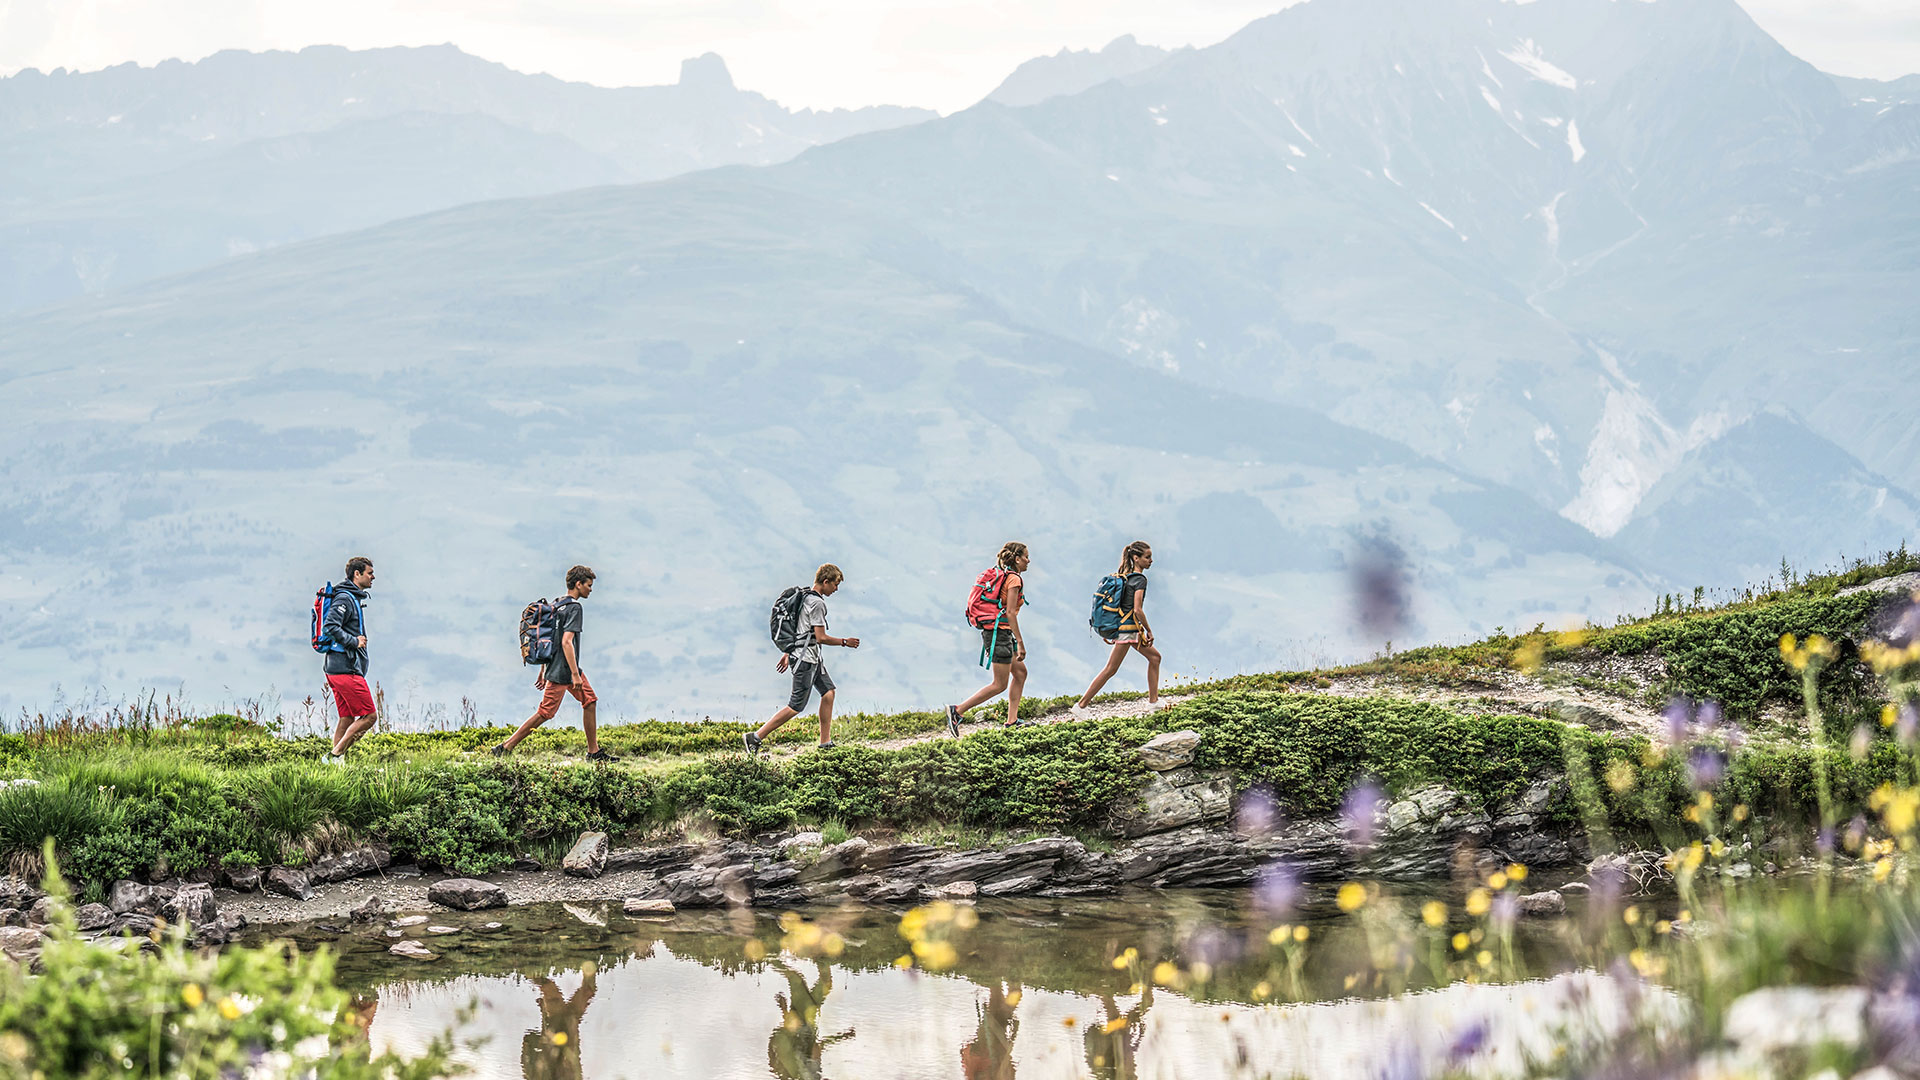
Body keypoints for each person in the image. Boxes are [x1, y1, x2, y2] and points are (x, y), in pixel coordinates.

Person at [493, 565, 616, 761]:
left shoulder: (557, 604)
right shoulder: (575, 608)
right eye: (589, 585)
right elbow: (566, 641)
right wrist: (574, 675)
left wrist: (544, 669)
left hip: (557, 667)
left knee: (589, 701)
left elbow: (548, 639)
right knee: (545, 712)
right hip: (565, 671)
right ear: (578, 584)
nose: (590, 589)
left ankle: (594, 752)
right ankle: (506, 747)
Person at [746, 564, 859, 754]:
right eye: (835, 584)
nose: (836, 589)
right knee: (796, 706)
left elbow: (799, 630)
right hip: (805, 660)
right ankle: (755, 737)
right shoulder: (817, 604)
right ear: (826, 582)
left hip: (810, 657)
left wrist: (787, 652)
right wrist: (845, 642)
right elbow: (821, 637)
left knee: (828, 692)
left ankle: (825, 743)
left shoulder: (805, 596)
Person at [946, 542, 1033, 736]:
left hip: (999, 632)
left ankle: (1012, 722)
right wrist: (1020, 642)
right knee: (999, 684)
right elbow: (1010, 612)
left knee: (1020, 674)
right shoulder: (1014, 580)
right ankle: (957, 711)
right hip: (999, 634)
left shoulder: (1006, 577)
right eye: (1026, 556)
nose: (1029, 560)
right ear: (1017, 559)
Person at [1075, 541, 1163, 710]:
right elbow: (1137, 609)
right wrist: (1149, 630)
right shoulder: (1140, 580)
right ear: (1136, 558)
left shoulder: (1124, 577)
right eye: (1147, 557)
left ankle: (1154, 701)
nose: (1151, 560)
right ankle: (1081, 705)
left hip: (1126, 629)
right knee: (1111, 669)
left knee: (1154, 658)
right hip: (1129, 631)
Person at [322, 556, 376, 764]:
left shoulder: (352, 597)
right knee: (369, 716)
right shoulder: (345, 598)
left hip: (336, 668)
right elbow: (330, 626)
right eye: (369, 573)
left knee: (347, 717)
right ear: (357, 574)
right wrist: (354, 641)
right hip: (345, 668)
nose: (373, 577)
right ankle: (334, 756)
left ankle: (334, 766)